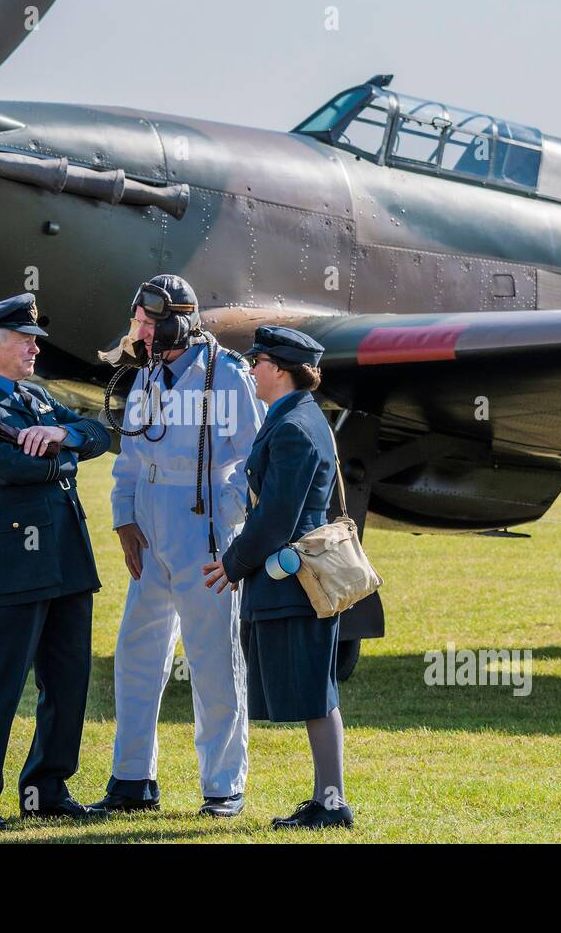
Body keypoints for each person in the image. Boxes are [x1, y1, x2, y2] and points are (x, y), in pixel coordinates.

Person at [87, 275, 263, 817]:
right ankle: (133, 780)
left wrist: (225, 516)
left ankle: (223, 785)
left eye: (147, 322)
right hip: (151, 526)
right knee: (137, 655)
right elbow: (132, 456)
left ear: (177, 323)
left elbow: (257, 459)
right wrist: (124, 520)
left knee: (213, 659)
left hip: (204, 530)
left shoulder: (226, 376)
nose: (137, 331)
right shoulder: (145, 377)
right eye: (137, 320)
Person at [0, 293, 112, 830]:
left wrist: (62, 434)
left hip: (65, 554)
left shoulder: (35, 401)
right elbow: (9, 469)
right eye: (25, 339)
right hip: (13, 557)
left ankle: (47, 788)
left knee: (67, 678)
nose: (36, 348)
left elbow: (102, 434)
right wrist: (66, 455)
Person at [201, 325, 354, 830]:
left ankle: (331, 803)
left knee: (315, 689)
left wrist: (233, 562)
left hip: (295, 579)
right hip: (292, 575)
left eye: (258, 361)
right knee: (315, 687)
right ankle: (326, 798)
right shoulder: (293, 417)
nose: (251, 368)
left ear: (281, 371)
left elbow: (278, 517)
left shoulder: (292, 426)